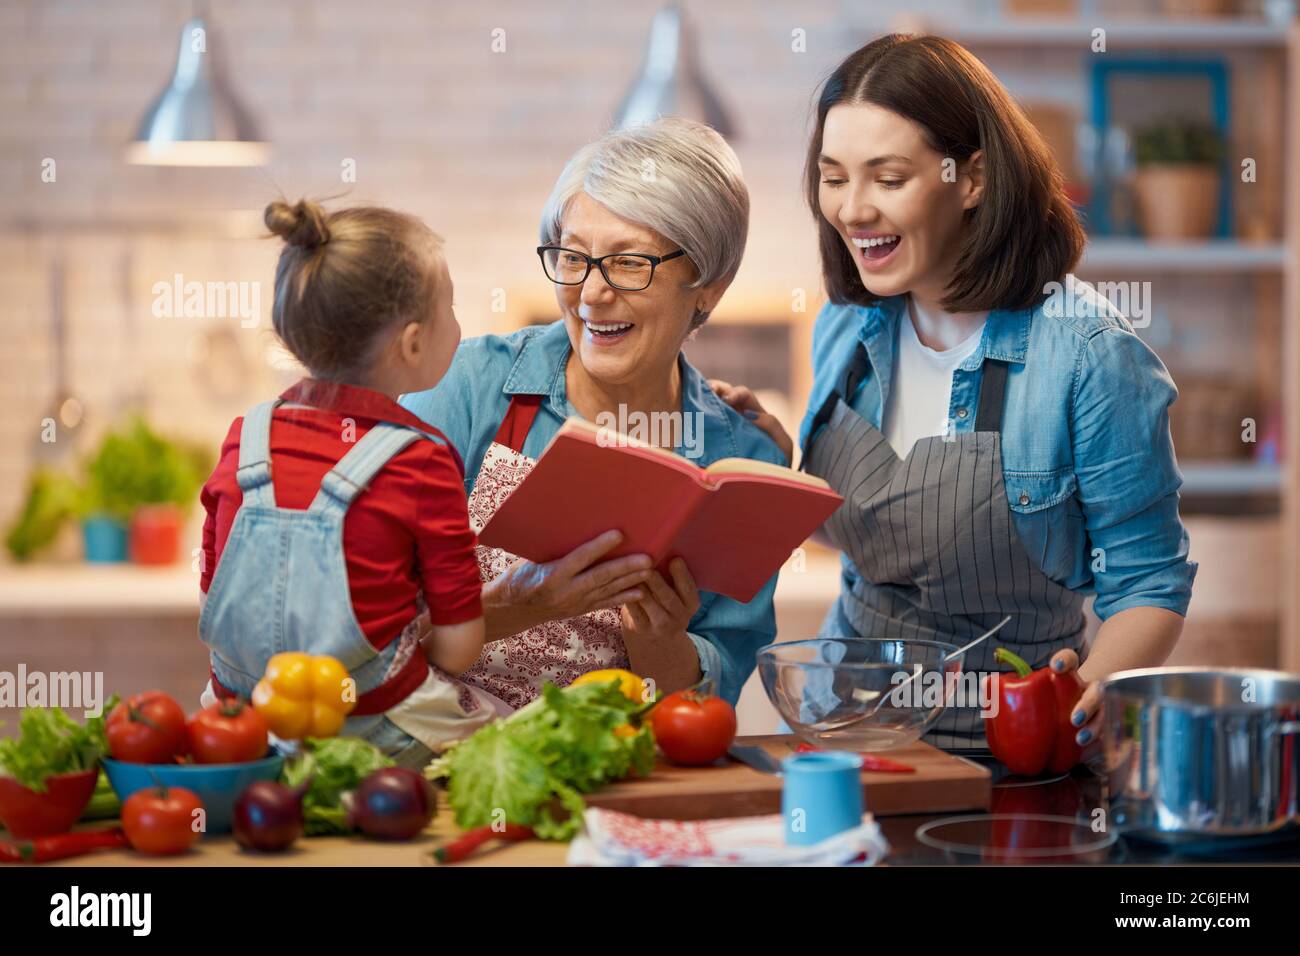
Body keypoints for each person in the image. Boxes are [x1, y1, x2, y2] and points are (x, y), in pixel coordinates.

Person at [714, 35, 1196, 751]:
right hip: (845, 735)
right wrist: (781, 468)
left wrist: (1086, 688)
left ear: (971, 179)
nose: (852, 210)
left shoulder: (1090, 359)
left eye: (887, 177)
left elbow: (1150, 584)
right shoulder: (847, 327)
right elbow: (874, 535)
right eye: (834, 177)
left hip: (1006, 753)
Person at [401, 117, 785, 711]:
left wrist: (656, 637)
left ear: (710, 283)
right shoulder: (468, 387)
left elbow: (704, 707)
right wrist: (517, 608)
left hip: (618, 774)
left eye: (630, 263)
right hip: (443, 775)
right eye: (573, 257)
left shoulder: (743, 457)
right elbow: (363, 637)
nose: (591, 294)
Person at [198, 199, 494, 768]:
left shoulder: (245, 437)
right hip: (379, 730)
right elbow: (459, 649)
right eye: (450, 309)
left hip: (243, 727)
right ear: (411, 344)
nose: (459, 326)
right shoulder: (425, 460)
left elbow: (215, 601)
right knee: (513, 733)